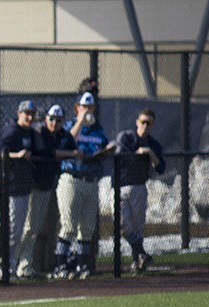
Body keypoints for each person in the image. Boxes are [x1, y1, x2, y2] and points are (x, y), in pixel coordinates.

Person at [51, 91, 115, 280]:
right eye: (83, 106)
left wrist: (107, 150)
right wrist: (79, 120)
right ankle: (60, 265)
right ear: (77, 107)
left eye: (90, 107)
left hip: (91, 180)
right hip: (71, 179)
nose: (87, 110)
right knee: (68, 225)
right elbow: (67, 141)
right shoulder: (70, 125)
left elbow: (102, 147)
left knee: (87, 227)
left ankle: (82, 265)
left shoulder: (98, 129)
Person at [16, 104, 82, 279]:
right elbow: (49, 152)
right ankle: (19, 265)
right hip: (33, 186)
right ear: (45, 119)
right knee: (29, 228)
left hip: (47, 186)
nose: (54, 123)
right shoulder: (39, 132)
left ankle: (28, 265)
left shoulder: (61, 135)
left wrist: (72, 151)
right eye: (51, 119)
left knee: (36, 228)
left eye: (59, 120)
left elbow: (71, 143)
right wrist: (71, 153)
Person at [109, 108, 166, 274]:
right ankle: (142, 253)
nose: (145, 126)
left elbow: (160, 167)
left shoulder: (153, 144)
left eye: (149, 123)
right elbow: (122, 155)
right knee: (121, 224)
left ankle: (138, 262)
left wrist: (149, 153)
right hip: (121, 186)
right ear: (137, 122)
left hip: (139, 187)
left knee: (137, 226)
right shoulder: (126, 137)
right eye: (142, 122)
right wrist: (138, 154)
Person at [0, 100, 38, 279]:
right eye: (26, 113)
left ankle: (10, 266)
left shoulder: (29, 133)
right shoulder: (12, 131)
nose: (29, 117)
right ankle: (5, 267)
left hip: (23, 188)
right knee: (13, 230)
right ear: (19, 113)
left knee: (19, 231)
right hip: (10, 189)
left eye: (32, 114)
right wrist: (16, 155)